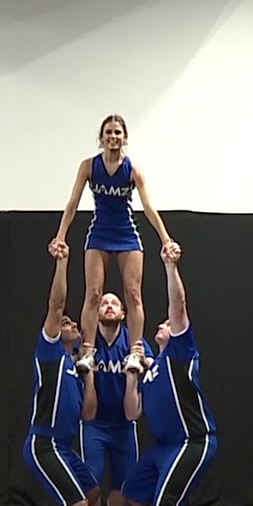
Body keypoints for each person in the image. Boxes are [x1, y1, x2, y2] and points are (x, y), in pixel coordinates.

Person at [49, 114, 178, 379]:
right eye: (109, 132)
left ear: (124, 138)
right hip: (99, 232)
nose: (113, 137)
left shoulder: (132, 170)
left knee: (133, 295)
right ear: (102, 138)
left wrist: (166, 239)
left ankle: (135, 350)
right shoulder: (89, 167)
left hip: (126, 233)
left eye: (118, 132)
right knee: (93, 294)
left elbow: (148, 207)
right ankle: (87, 349)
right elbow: (72, 203)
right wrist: (61, 235)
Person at [121, 241, 219, 506]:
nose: (162, 326)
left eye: (165, 324)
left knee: (168, 500)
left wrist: (170, 266)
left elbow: (177, 304)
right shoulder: (151, 371)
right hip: (163, 448)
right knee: (132, 489)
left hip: (192, 440)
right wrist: (132, 377)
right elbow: (133, 414)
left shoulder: (180, 353)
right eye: (161, 325)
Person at [19, 240, 102, 506]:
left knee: (93, 492)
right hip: (44, 444)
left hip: (64, 448)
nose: (67, 323)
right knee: (78, 505)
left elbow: (88, 415)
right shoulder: (50, 353)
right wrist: (62, 263)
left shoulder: (74, 367)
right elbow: (56, 304)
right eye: (64, 323)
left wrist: (91, 375)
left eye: (71, 323)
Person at [76, 292, 154, 506]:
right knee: (93, 481)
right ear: (95, 313)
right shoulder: (87, 344)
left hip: (123, 425)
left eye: (114, 304)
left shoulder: (134, 343)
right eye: (103, 303)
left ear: (123, 313)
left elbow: (152, 368)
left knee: (126, 482)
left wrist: (147, 363)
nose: (108, 306)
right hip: (94, 425)